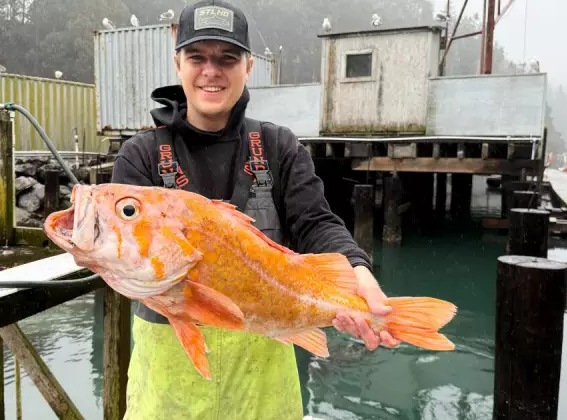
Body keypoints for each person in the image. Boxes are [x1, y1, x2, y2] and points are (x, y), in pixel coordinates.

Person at [110, 1, 400, 418]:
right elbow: (125, 256)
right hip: (168, 392)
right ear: (178, 64)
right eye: (197, 57)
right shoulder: (141, 155)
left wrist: (355, 270)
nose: (211, 71)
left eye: (227, 58)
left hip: (265, 386)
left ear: (248, 67)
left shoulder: (279, 147)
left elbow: (315, 222)